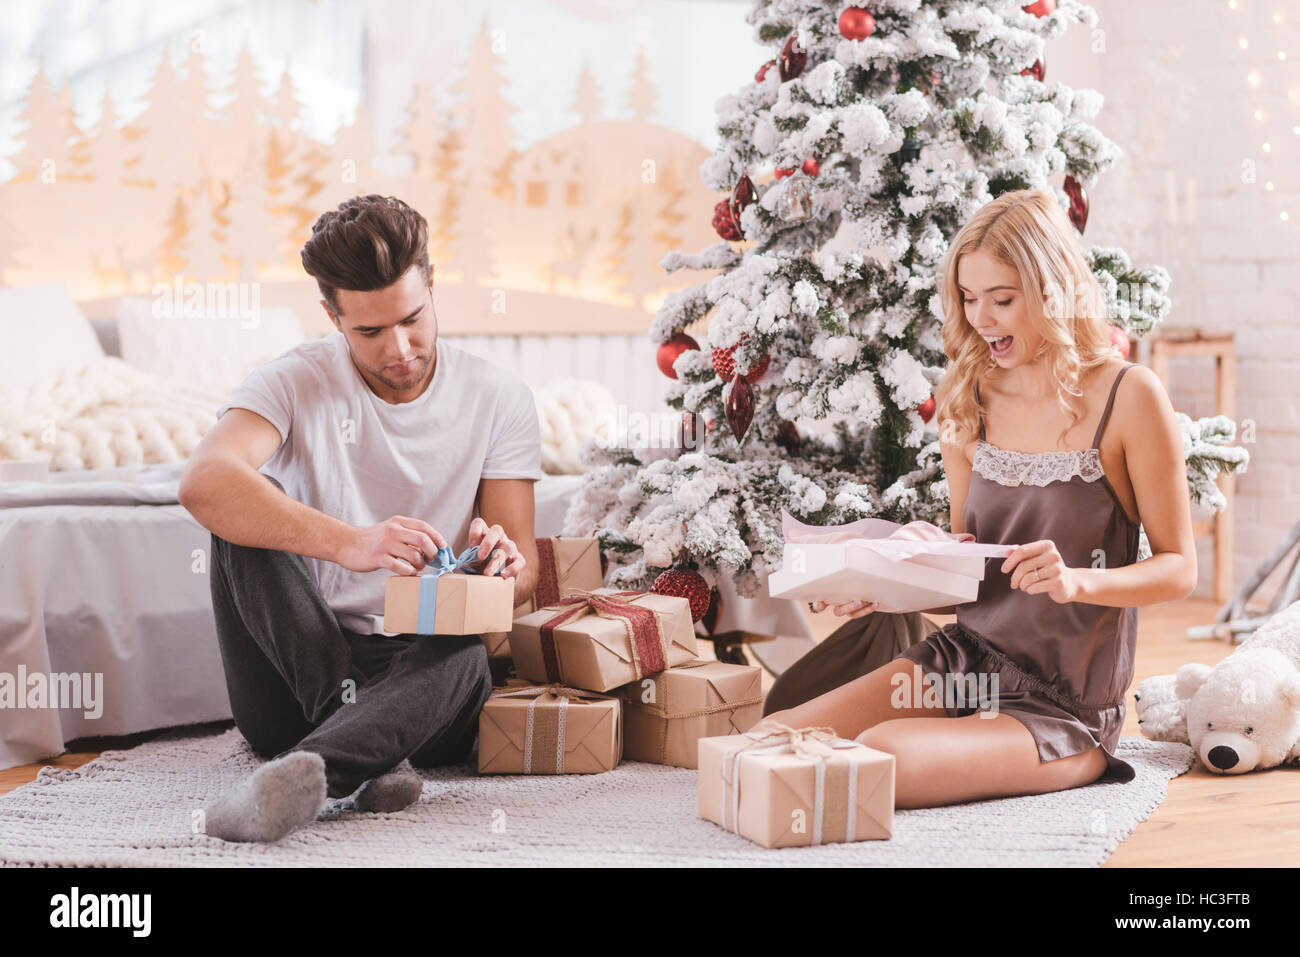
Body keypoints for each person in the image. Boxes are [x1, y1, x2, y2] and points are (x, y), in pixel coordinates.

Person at [755, 188, 1197, 809]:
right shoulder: (968, 397)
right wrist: (884, 587)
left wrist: (1075, 583)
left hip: (1061, 707)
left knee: (883, 756)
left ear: (1051, 291)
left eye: (1002, 299)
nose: (981, 318)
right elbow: (973, 580)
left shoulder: (1130, 396)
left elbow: (1180, 568)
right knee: (771, 740)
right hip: (962, 664)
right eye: (968, 298)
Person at [178, 194, 543, 842]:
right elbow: (204, 481)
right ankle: (365, 746)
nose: (400, 349)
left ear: (432, 285)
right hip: (299, 673)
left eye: (412, 319)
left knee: (467, 658)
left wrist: (500, 566)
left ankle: (312, 770)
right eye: (371, 332)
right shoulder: (294, 380)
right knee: (241, 514)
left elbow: (525, 572)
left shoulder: (500, 397)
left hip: (417, 682)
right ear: (332, 315)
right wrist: (348, 543)